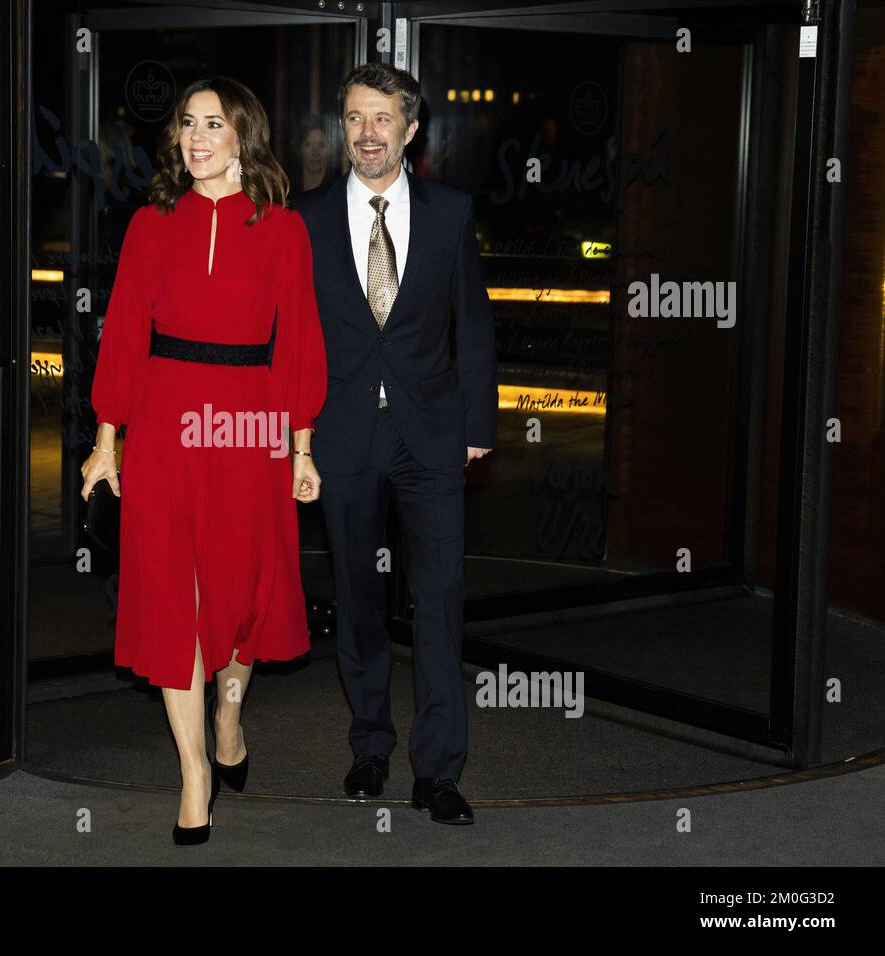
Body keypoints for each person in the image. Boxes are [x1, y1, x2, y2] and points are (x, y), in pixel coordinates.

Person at [81, 76, 327, 846]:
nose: (195, 137)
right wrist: (105, 440)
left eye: (212, 124)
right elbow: (122, 332)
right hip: (164, 421)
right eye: (187, 124)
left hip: (249, 423)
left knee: (242, 595)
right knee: (173, 597)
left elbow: (300, 344)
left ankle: (229, 713)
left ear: (242, 137)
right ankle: (193, 774)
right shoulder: (151, 224)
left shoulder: (283, 229)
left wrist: (302, 447)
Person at [292, 63, 497, 825]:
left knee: (439, 604)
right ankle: (369, 748)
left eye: (382, 119)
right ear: (342, 127)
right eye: (353, 118)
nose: (367, 134)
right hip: (343, 436)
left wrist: (479, 429)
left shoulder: (449, 213)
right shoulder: (306, 217)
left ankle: (439, 771)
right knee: (360, 601)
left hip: (432, 439)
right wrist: (293, 436)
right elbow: (293, 333)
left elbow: (471, 325)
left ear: (411, 129)